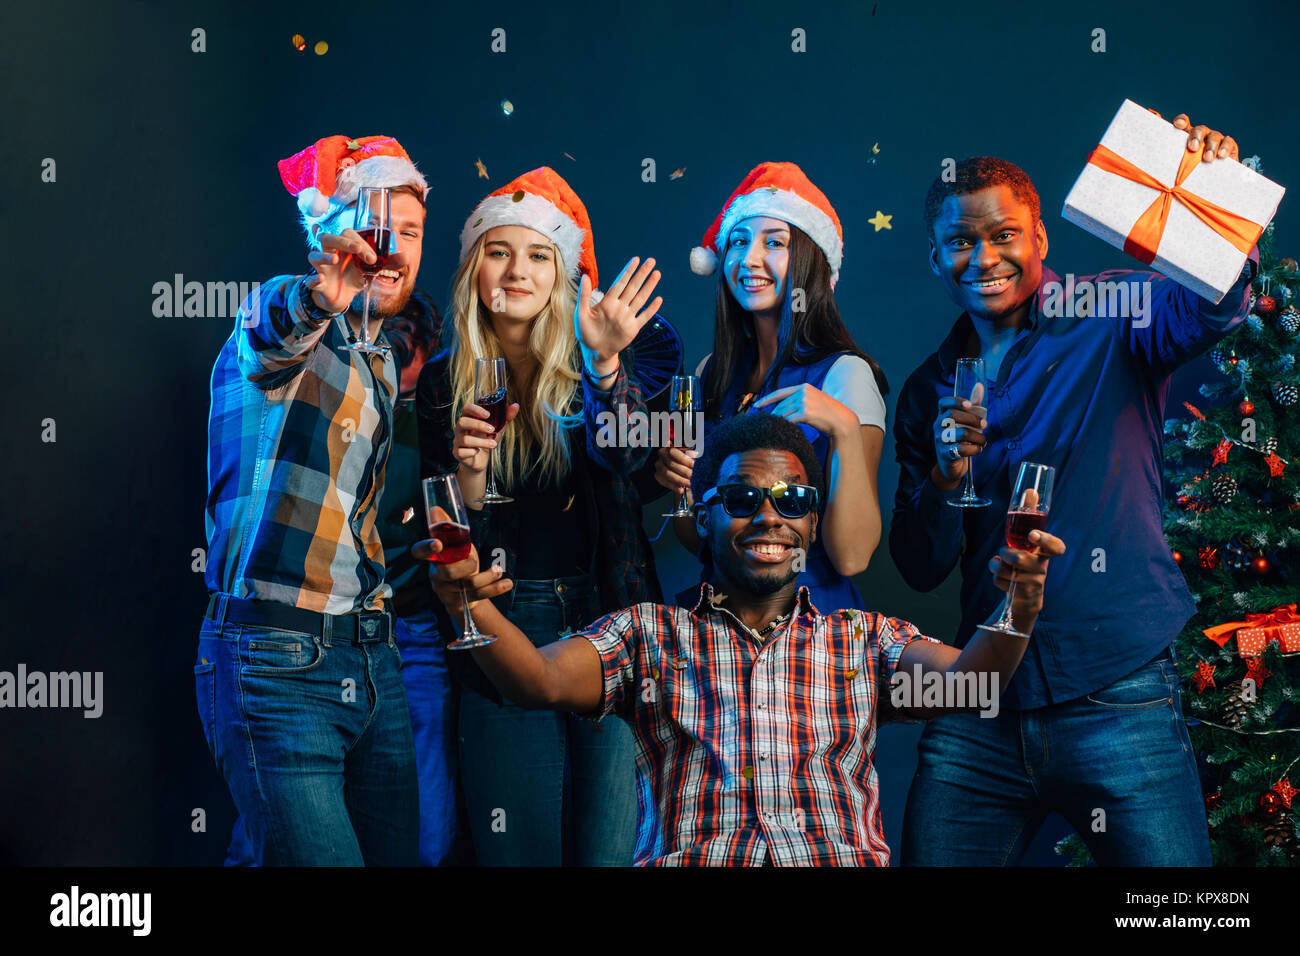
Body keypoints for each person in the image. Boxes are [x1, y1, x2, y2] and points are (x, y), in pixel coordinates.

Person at [416, 412, 1065, 865]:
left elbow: (973, 684)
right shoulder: (647, 635)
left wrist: (1023, 601)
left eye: (792, 500)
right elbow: (538, 681)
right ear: (704, 516)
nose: (769, 516)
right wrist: (466, 606)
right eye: (743, 497)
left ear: (812, 523)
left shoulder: (863, 644)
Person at [890, 115, 1256, 866]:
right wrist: (941, 477)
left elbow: (1215, 304)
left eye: (1003, 235)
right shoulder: (929, 390)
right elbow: (920, 564)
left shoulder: (1112, 313)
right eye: (961, 241)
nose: (983, 257)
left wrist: (1212, 196)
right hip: (980, 696)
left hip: (1115, 686)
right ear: (935, 259)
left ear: (1039, 238)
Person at [416, 167, 680, 866]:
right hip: (506, 620)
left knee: (606, 850)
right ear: (475, 268)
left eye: (538, 255)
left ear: (561, 273)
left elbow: (626, 464)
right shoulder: (445, 381)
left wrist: (602, 364)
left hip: (608, 617)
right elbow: (453, 546)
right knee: (517, 848)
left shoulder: (605, 359)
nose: (517, 270)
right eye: (499, 251)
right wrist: (469, 477)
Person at [197, 135, 426, 865]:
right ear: (330, 229)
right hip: (274, 655)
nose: (391, 246)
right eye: (373, 220)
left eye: (412, 232)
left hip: (370, 660)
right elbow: (276, 328)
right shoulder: (277, 314)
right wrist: (320, 295)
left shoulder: (383, 358)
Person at [647, 162, 888, 612]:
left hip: (813, 626)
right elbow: (700, 539)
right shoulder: (708, 374)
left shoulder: (846, 374)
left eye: (774, 242)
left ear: (810, 260)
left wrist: (845, 430)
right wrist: (678, 489)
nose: (749, 258)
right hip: (719, 625)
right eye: (738, 241)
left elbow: (852, 557)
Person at [376, 291, 470, 866]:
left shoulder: (437, 413)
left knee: (431, 817)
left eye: (408, 345)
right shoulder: (343, 400)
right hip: (340, 626)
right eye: (388, 343)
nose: (397, 356)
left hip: (417, 628)